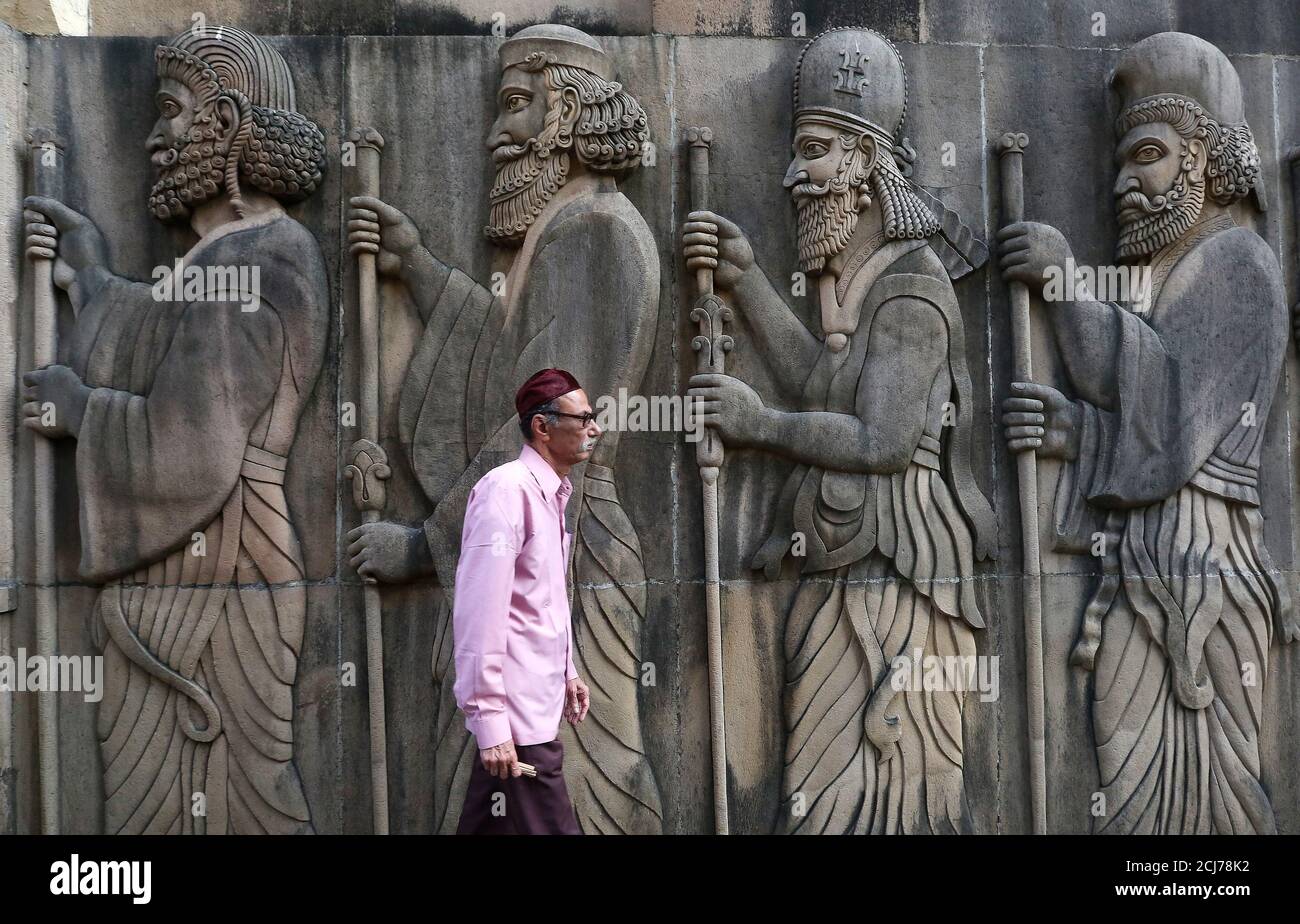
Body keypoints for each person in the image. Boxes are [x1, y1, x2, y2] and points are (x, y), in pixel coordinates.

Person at [453, 368, 597, 835]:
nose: (593, 429)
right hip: (518, 728)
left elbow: (542, 601)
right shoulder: (505, 491)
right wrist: (491, 722)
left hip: (533, 713)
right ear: (543, 426)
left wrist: (567, 669)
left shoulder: (550, 494)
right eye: (584, 419)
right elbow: (480, 613)